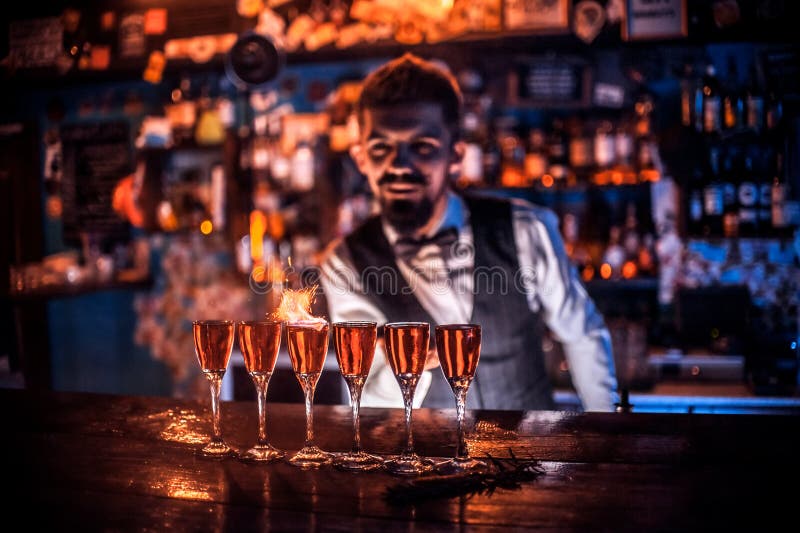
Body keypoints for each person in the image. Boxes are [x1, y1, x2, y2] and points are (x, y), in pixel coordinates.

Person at [319, 53, 618, 411]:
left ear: (456, 154)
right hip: (425, 463)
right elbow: (365, 400)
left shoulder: (526, 229)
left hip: (531, 459)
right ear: (361, 158)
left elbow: (582, 335)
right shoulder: (344, 263)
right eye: (381, 147)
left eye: (422, 147)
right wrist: (400, 369)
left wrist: (606, 427)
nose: (399, 165)